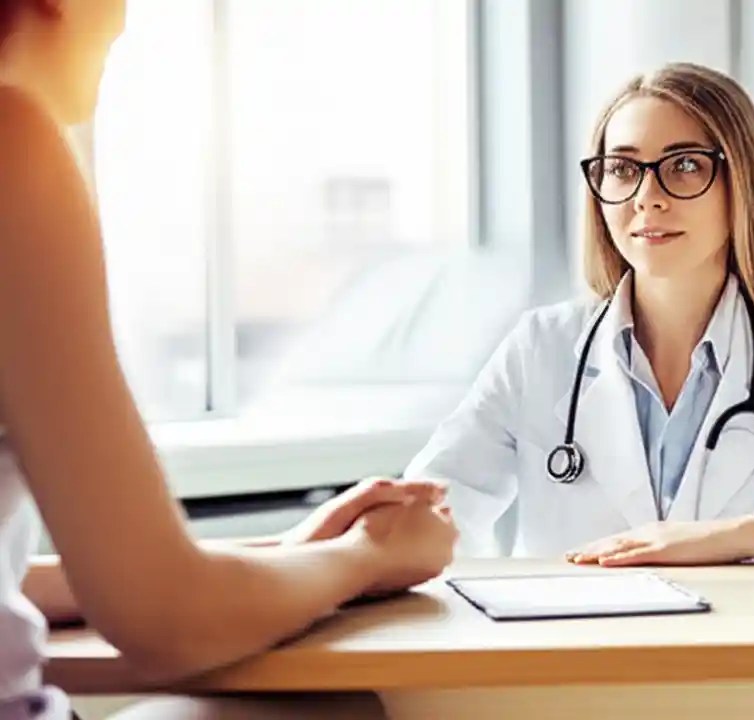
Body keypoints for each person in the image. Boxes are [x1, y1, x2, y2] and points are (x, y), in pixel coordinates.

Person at [0, 1, 456, 718]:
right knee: (335, 712)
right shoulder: (11, 145)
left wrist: (285, 556)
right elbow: (167, 620)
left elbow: (16, 584)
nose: (123, 20)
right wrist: (370, 558)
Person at [404, 62, 754, 570]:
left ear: (739, 183)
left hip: (739, 671)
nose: (647, 197)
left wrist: (723, 539)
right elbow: (429, 515)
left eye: (684, 165)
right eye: (623, 169)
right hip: (572, 668)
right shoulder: (541, 349)